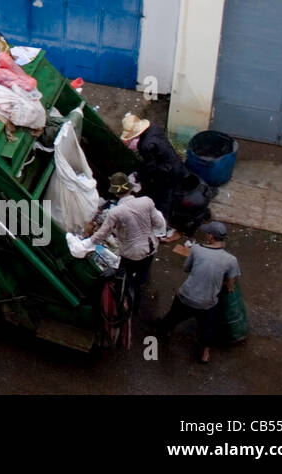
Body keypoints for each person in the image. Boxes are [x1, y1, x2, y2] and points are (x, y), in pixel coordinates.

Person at [83, 172, 167, 320]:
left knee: (125, 279)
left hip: (131, 254)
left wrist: (86, 243)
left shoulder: (116, 212)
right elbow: (159, 223)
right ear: (130, 189)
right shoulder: (146, 201)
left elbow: (102, 234)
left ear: (116, 193)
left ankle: (124, 305)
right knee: (141, 278)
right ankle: (136, 306)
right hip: (150, 248)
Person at [156, 221, 240, 363]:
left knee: (173, 316)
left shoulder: (196, 249)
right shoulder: (231, 260)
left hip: (186, 296)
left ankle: (165, 331)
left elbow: (186, 268)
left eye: (207, 233)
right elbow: (230, 286)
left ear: (211, 237)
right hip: (207, 303)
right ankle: (205, 353)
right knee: (209, 326)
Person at [121, 113, 187, 230]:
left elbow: (151, 167)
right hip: (175, 162)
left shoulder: (145, 145)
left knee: (165, 198)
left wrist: (141, 178)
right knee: (175, 192)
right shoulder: (154, 128)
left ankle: (162, 226)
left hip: (167, 171)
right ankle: (172, 216)